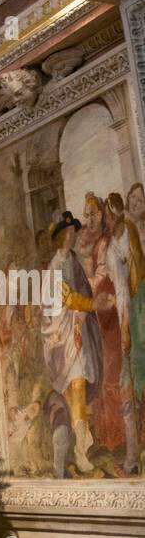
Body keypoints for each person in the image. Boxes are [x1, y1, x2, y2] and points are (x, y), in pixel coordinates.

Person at [41, 211, 102, 475]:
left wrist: (88, 309)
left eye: (73, 231)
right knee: (72, 389)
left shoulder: (74, 260)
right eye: (69, 232)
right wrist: (90, 305)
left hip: (78, 328)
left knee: (79, 386)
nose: (72, 235)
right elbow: (66, 298)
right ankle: (76, 449)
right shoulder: (54, 266)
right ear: (61, 237)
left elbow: (84, 289)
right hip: (62, 333)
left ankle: (80, 449)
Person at [76, 193, 123, 454]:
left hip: (108, 312)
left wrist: (86, 291)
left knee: (111, 371)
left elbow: (103, 273)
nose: (90, 218)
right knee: (103, 372)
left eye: (93, 213)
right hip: (98, 314)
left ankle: (118, 437)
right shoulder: (91, 245)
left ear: (102, 214)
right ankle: (109, 438)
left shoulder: (105, 243)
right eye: (86, 214)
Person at [105, 192, 145, 474]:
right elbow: (118, 290)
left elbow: (134, 279)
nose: (108, 220)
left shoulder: (130, 234)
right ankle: (132, 459)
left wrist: (131, 324)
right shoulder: (110, 249)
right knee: (127, 392)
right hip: (126, 322)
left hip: (139, 315)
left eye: (109, 214)